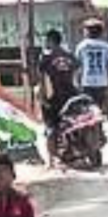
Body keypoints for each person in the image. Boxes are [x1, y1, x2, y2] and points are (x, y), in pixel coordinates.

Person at [37, 29, 78, 167]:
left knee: (51, 127)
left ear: (50, 41)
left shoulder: (46, 57)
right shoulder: (70, 56)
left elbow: (42, 80)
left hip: (54, 97)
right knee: (71, 124)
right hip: (71, 95)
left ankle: (51, 161)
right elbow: (76, 74)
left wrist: (42, 98)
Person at [74, 18, 108, 114]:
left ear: (87, 31)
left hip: (87, 82)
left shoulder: (81, 46)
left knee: (88, 109)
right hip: (102, 82)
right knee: (100, 109)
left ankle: (92, 127)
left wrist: (77, 82)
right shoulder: (107, 46)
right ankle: (99, 127)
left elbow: (77, 66)